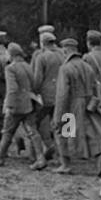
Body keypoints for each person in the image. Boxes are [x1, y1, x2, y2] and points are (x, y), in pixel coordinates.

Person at [52, 37, 101, 175]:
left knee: (63, 133)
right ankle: (99, 156)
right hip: (89, 103)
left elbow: (62, 94)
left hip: (71, 105)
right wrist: (95, 102)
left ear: (65, 51)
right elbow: (96, 87)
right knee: (90, 133)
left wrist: (58, 115)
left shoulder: (65, 68)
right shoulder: (87, 66)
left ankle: (65, 164)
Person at [0, 43, 47, 168]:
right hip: (29, 103)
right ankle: (40, 159)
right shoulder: (28, 66)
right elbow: (34, 84)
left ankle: (0, 157)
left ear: (11, 54)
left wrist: (9, 106)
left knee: (7, 131)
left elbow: (12, 89)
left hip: (16, 105)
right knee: (33, 131)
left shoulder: (11, 68)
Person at [31, 29, 63, 160]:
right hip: (62, 93)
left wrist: (34, 92)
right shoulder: (63, 55)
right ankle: (66, 151)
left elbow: (38, 78)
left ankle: (49, 145)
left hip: (46, 94)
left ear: (42, 43)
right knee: (64, 121)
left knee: (37, 121)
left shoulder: (42, 56)